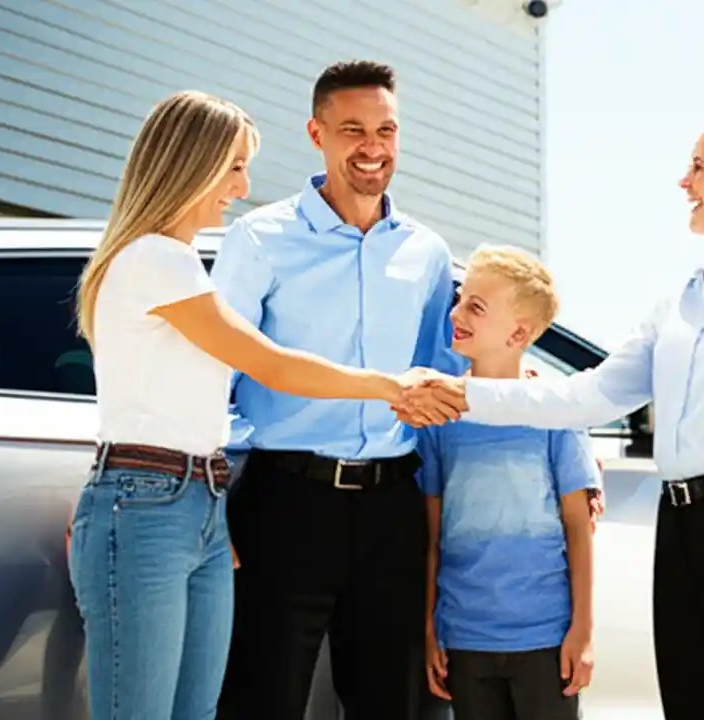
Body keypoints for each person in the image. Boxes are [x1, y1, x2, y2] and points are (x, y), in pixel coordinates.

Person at [397, 113, 704, 720]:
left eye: (698, 167)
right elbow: (587, 397)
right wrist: (462, 395)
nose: (684, 182)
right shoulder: (677, 300)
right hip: (679, 530)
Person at [67, 90, 454, 720]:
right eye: (233, 167)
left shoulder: (184, 264)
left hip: (199, 499)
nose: (242, 188)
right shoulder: (155, 262)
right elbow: (267, 363)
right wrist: (389, 387)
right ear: (188, 164)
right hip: (147, 500)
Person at [209, 60, 468, 720]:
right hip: (284, 505)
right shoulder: (259, 239)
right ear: (316, 133)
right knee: (262, 700)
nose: (372, 147)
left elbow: (444, 380)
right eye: (352, 129)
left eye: (386, 129)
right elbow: (213, 377)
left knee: (398, 705)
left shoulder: (428, 253)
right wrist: (211, 510)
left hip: (393, 510)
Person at [419, 246, 600, 720]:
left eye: (476, 307)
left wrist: (582, 630)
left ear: (518, 333)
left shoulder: (554, 412)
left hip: (544, 638)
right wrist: (429, 628)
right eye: (460, 300)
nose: (456, 312)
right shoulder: (443, 416)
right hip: (465, 636)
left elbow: (578, 528)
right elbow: (432, 535)